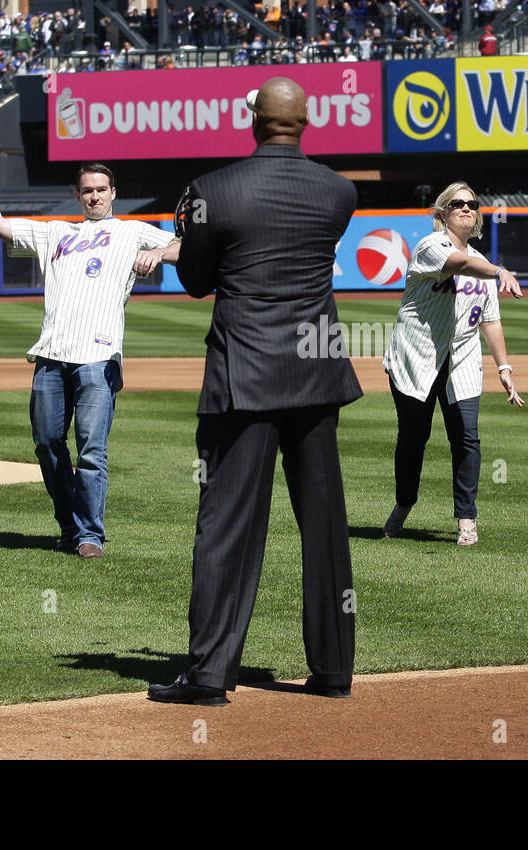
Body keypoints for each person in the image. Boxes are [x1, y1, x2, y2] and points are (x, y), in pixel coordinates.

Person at [149, 77, 361, 706]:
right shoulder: (339, 191)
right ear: (307, 119)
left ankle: (211, 674)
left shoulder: (212, 190)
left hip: (244, 375)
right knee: (324, 528)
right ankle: (333, 670)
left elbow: (192, 279)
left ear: (254, 122)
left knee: (226, 527)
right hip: (315, 373)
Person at [0, 157, 179, 558]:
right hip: (51, 355)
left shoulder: (132, 231)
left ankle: (89, 535)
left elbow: (186, 247)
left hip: (99, 358)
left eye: (101, 189)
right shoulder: (56, 233)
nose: (95, 196)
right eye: (87, 190)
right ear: (78, 195)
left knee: (91, 449)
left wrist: (161, 251)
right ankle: (69, 524)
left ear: (113, 193)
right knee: (48, 443)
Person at [381, 182, 524, 546]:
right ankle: (404, 503)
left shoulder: (482, 263)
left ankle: (466, 518)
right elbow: (458, 263)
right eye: (457, 203)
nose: (466, 208)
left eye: (472, 204)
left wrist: (504, 369)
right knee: (413, 439)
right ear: (442, 212)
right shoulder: (431, 247)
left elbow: (490, 320)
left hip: (461, 359)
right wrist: (497, 270)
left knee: (467, 438)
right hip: (418, 357)